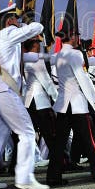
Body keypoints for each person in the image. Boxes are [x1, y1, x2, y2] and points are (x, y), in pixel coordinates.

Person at [0, 4, 48, 189]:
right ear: (9, 21)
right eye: (16, 19)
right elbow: (38, 27)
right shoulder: (9, 33)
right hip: (6, 92)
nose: (18, 21)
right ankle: (24, 178)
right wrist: (26, 24)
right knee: (27, 132)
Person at [46, 28, 95, 186]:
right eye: (76, 35)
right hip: (77, 104)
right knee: (90, 140)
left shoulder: (58, 55)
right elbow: (83, 79)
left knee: (59, 144)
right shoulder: (75, 54)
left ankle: (53, 176)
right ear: (71, 37)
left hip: (63, 105)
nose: (78, 38)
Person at [22, 36, 57, 166]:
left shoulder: (25, 58)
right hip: (40, 100)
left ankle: (16, 164)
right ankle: (60, 162)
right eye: (38, 43)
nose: (40, 46)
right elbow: (46, 80)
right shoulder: (35, 58)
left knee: (27, 134)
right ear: (34, 45)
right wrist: (57, 98)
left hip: (28, 101)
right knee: (50, 133)